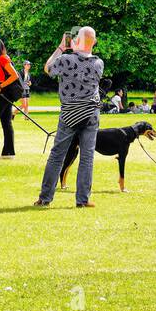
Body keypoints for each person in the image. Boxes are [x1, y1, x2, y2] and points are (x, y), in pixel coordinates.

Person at [35, 26, 104, 208]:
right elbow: (83, 63)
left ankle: (45, 198)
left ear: (77, 40)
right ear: (94, 42)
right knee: (87, 157)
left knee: (57, 155)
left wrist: (61, 47)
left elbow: (48, 68)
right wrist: (77, 46)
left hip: (69, 113)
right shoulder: (99, 63)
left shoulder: (65, 59)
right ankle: (83, 199)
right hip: (91, 113)